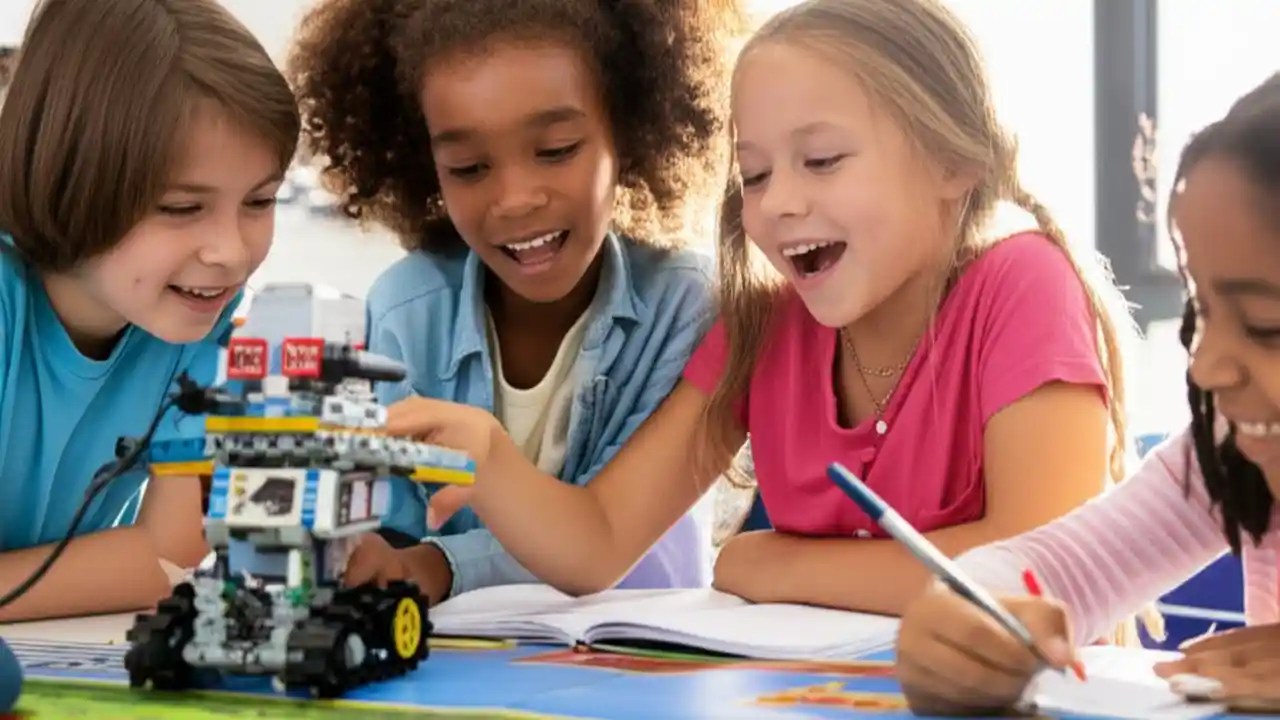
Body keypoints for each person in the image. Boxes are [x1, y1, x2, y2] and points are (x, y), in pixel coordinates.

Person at [343, 0, 1133, 616]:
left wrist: (776, 563)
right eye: (754, 175)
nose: (780, 202)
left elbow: (1043, 574)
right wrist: (489, 453)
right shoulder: (764, 327)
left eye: (821, 161)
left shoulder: (1022, 286)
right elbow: (597, 544)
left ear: (954, 160)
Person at [288, 0, 736, 602]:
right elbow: (393, 531)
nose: (516, 199)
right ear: (429, 167)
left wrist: (441, 562)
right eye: (469, 167)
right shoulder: (404, 312)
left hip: (640, 666)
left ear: (626, 134)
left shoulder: (691, 311)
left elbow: (605, 538)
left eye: (555, 150)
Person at [893, 73, 1280, 716]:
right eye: (1201, 312)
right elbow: (1054, 568)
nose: (1208, 367)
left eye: (1267, 326)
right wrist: (962, 617)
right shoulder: (1234, 449)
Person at [0, 0, 298, 621]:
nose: (231, 252)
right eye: (182, 208)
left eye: (260, 200)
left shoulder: (194, 312)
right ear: (69, 175)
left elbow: (166, 555)